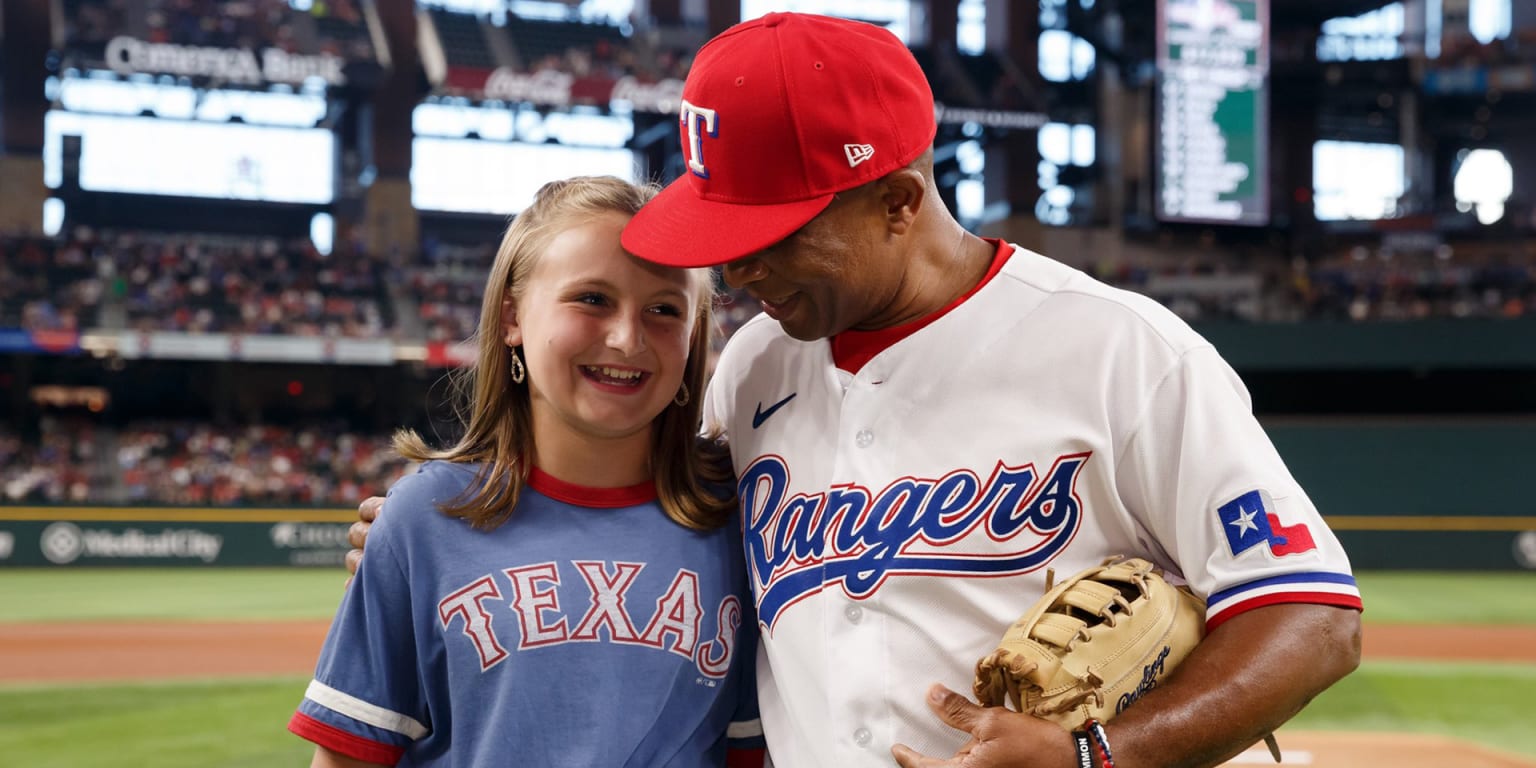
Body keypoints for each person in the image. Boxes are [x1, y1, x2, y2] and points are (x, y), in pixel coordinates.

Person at [352, 14, 1363, 768]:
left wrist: (1101, 755)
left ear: (897, 202)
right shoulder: (752, 370)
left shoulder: (1120, 349)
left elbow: (1312, 616)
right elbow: (644, 512)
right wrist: (449, 527)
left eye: (773, 233)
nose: (740, 268)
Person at [293, 176, 764, 767]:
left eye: (665, 309)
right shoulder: (423, 516)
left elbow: (748, 754)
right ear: (512, 317)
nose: (626, 337)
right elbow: (349, 758)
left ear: (694, 336)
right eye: (592, 299)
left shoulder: (738, 523)